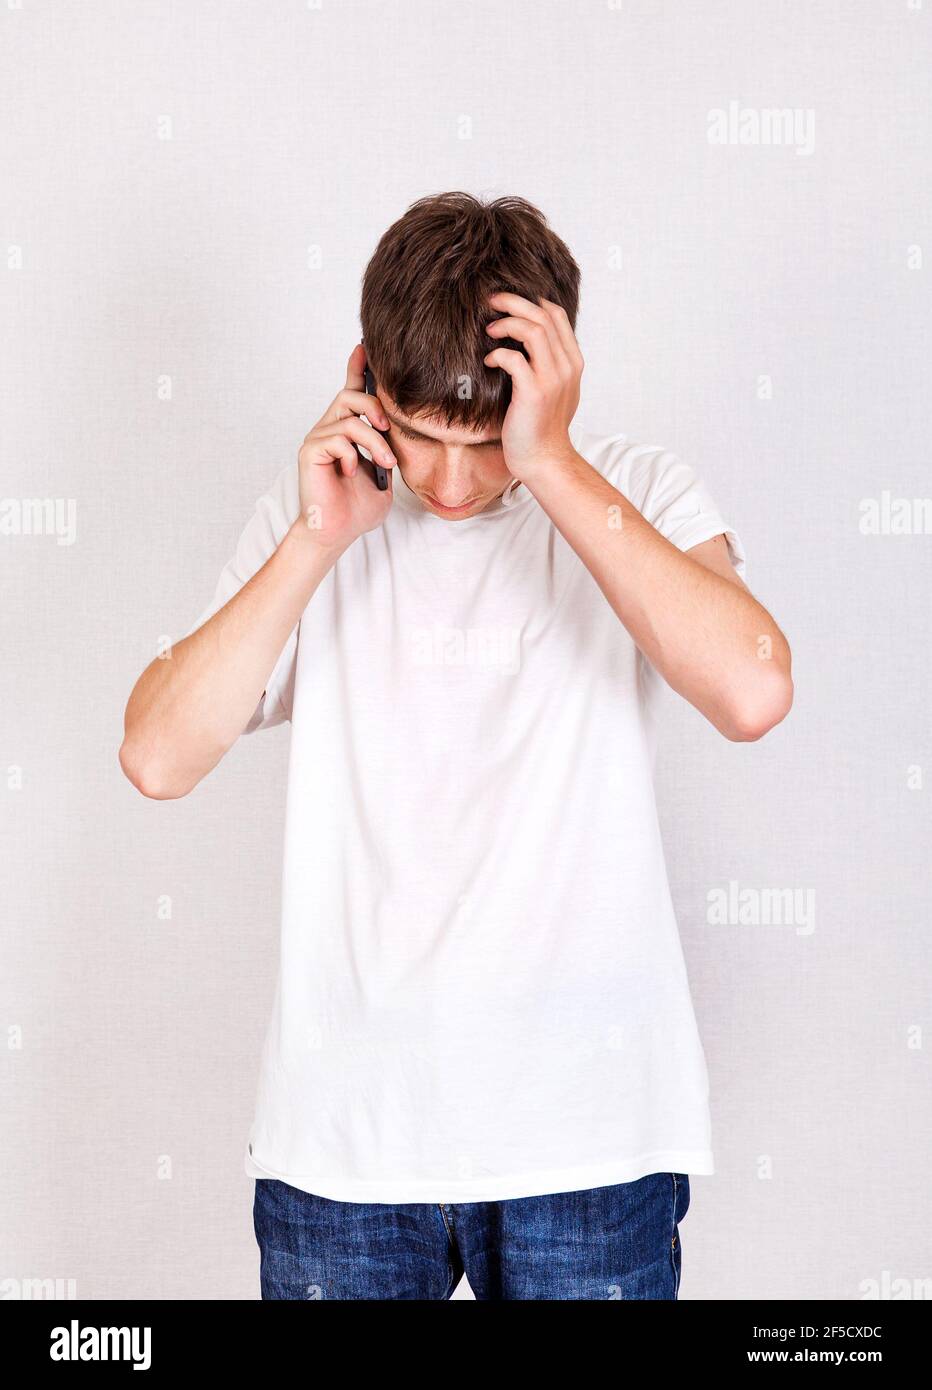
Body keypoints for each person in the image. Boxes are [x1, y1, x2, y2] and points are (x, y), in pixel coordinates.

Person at [120, 192, 793, 1300]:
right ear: (363, 375)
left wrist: (553, 465)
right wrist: (314, 541)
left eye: (480, 446)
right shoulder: (321, 513)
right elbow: (156, 756)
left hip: (589, 1138)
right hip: (344, 1142)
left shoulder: (633, 491)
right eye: (419, 432)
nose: (442, 482)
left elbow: (752, 690)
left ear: (551, 386)